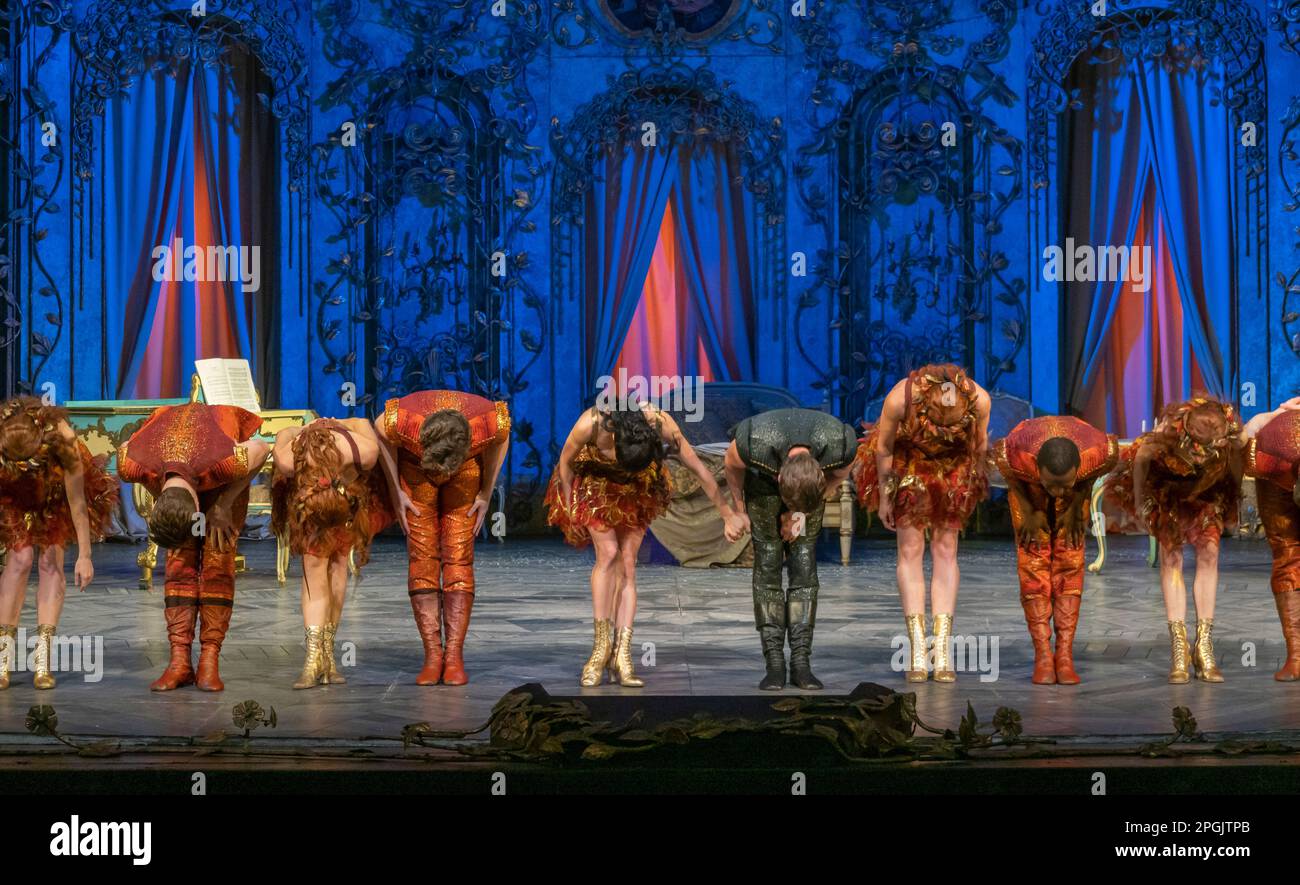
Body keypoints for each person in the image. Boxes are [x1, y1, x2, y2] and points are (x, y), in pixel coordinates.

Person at [546, 399, 746, 688]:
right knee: (609, 554)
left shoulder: (661, 423)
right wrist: (571, 506)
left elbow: (700, 471)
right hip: (595, 481)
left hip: (639, 487)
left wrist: (728, 515)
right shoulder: (591, 423)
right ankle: (599, 650)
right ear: (615, 437)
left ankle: (622, 654)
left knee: (628, 563)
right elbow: (565, 464)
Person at [855, 364, 991, 683]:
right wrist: (886, 497)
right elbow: (884, 447)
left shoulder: (980, 400)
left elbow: (980, 446)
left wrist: (971, 485)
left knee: (946, 548)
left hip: (955, 460)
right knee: (911, 548)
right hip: (908, 458)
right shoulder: (900, 399)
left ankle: (941, 649)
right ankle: (918, 649)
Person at [118, 402, 268, 691]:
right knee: (178, 564)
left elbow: (263, 448)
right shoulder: (131, 463)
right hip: (172, 472)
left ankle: (209, 660)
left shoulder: (227, 461)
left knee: (218, 564)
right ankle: (179, 662)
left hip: (221, 482)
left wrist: (223, 505)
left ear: (197, 507)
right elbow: (126, 445)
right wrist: (158, 494)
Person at [373, 390, 510, 686]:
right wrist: (396, 490)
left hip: (466, 472)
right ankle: (433, 655)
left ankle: (454, 657)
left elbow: (503, 438)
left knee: (459, 556)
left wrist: (486, 493)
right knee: (422, 557)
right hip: (416, 471)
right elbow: (379, 429)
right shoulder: (401, 421)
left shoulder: (487, 422)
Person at [1105, 396, 1244, 683]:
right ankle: (1179, 649)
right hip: (1168, 491)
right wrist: (1143, 500)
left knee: (1209, 554)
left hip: (1207, 493)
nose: (1211, 449)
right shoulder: (1169, 432)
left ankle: (1204, 646)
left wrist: (1233, 501)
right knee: (1172, 558)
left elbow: (1239, 460)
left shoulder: (1230, 429)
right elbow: (1142, 456)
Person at [723, 408, 857, 690]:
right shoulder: (752, 442)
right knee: (769, 560)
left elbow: (840, 475)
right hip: (761, 484)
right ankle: (774, 664)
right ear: (780, 478)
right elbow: (731, 465)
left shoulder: (840, 446)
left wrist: (799, 515)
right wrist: (738, 508)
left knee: (804, 564)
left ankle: (800, 663)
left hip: (808, 490)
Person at [0, 397, 116, 690]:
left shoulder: (64, 441)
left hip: (54, 493)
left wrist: (86, 556)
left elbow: (77, 503)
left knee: (50, 561)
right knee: (19, 559)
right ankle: (2, 657)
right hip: (14, 492)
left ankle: (43, 659)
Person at [994, 416, 1117, 684]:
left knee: (1070, 561)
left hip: (1077, 490)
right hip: (1027, 492)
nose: (1058, 493)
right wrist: (1030, 510)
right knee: (1033, 564)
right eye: (1052, 485)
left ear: (1078, 469)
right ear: (1037, 468)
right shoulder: (1018, 453)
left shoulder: (1095, 453)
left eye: (1065, 484)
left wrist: (1076, 504)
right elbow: (1006, 469)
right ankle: (1043, 656)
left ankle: (1064, 656)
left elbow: (1102, 465)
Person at [272, 418, 394, 689]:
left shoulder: (363, 451)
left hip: (348, 506)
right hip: (312, 506)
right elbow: (284, 433)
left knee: (338, 566)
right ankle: (314, 659)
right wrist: (301, 430)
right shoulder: (289, 460)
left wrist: (339, 422)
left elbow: (363, 422)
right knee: (314, 572)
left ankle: (327, 657)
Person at [1241, 397, 1300, 680]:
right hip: (1274, 467)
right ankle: (1296, 656)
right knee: (1287, 554)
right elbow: (1243, 438)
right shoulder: (1271, 439)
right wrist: (1269, 417)